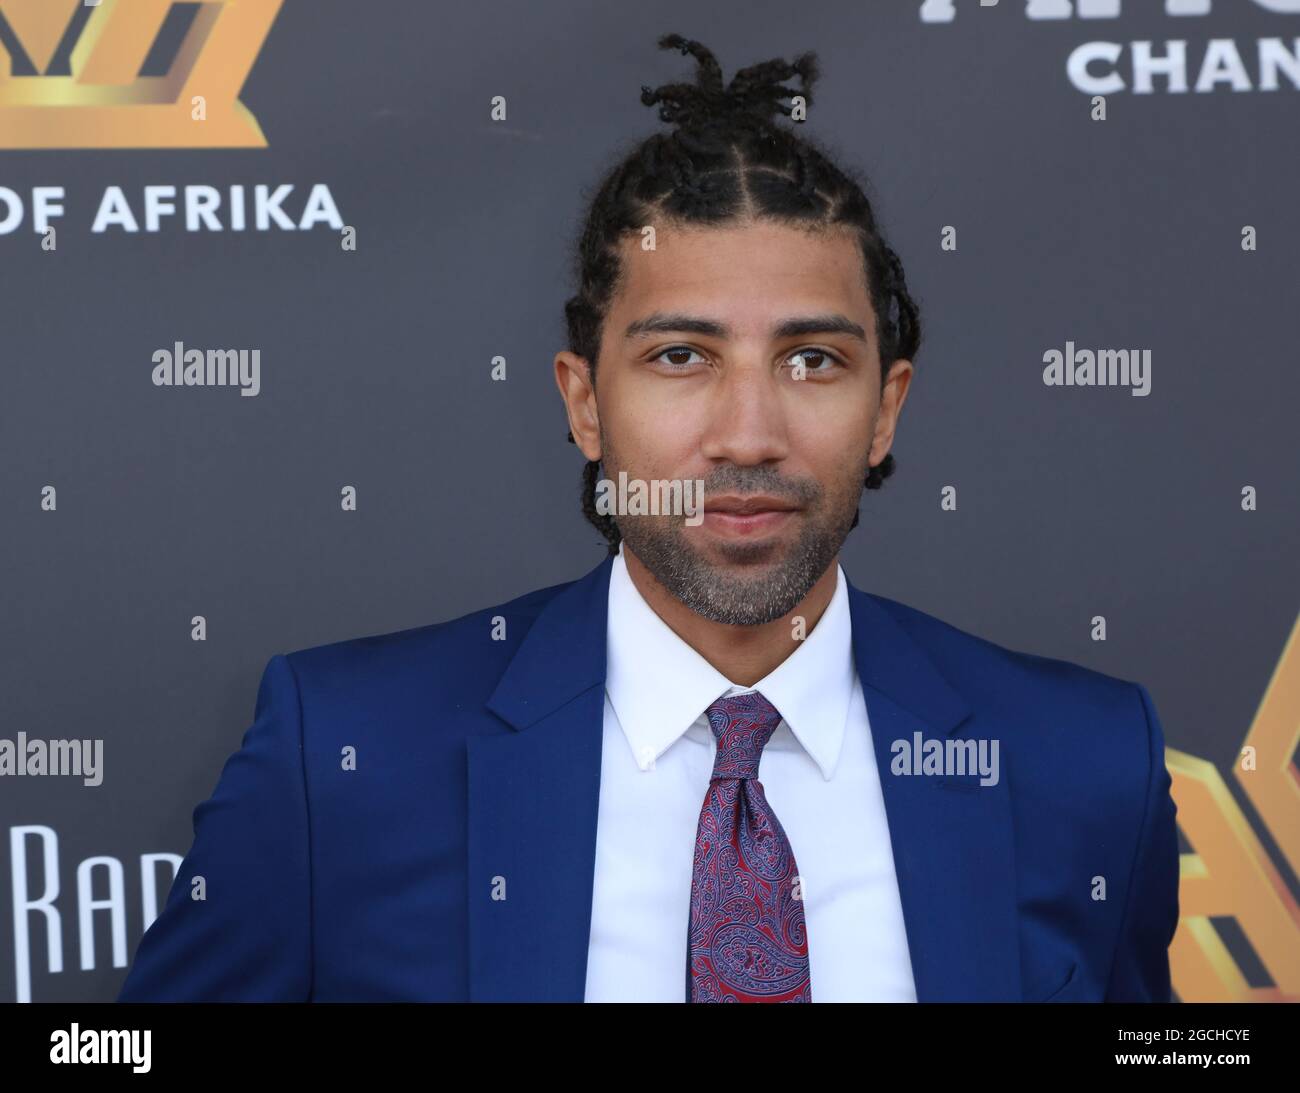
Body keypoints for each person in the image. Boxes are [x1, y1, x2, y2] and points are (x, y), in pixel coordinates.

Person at [118, 33, 1179, 1003]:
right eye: (682, 357)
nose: (748, 433)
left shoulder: (1079, 764)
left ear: (885, 408)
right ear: (585, 402)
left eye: (813, 360)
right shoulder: (343, 755)